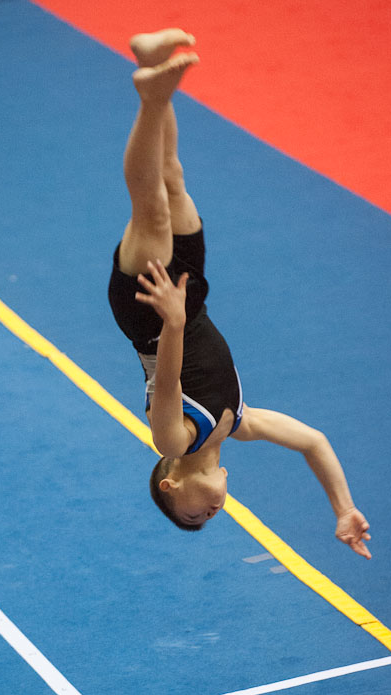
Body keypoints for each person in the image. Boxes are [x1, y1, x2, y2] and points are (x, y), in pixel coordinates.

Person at [108, 29, 372, 558]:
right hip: (190, 299)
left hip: (153, 314)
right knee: (174, 180)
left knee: (151, 209)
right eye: (207, 519)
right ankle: (155, 63)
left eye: (192, 514)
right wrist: (343, 508)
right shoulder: (239, 421)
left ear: (170, 484)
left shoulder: (172, 442)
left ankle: (151, 96)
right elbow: (313, 441)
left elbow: (165, 380)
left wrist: (174, 322)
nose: (208, 513)